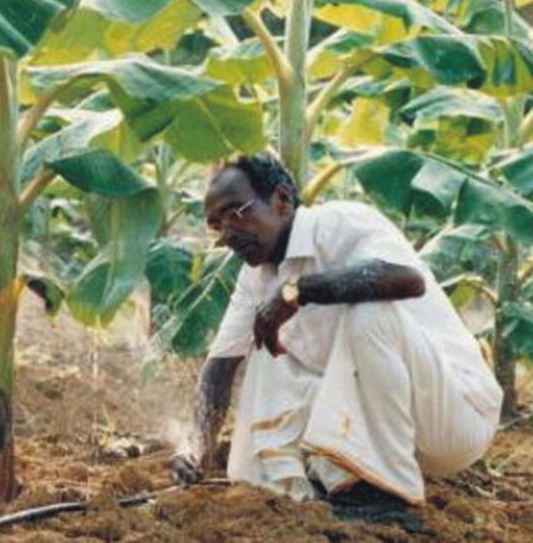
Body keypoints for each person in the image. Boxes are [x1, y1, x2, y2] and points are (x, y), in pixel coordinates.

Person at [170, 153, 502, 526]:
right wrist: (196, 448)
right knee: (266, 346)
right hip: (398, 430)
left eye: (238, 212)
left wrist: (295, 292)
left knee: (369, 312)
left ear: (282, 201)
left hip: (454, 416)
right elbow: (219, 367)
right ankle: (321, 484)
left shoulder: (341, 223)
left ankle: (387, 495)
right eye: (217, 224)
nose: (228, 233)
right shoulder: (257, 276)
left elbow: (407, 280)